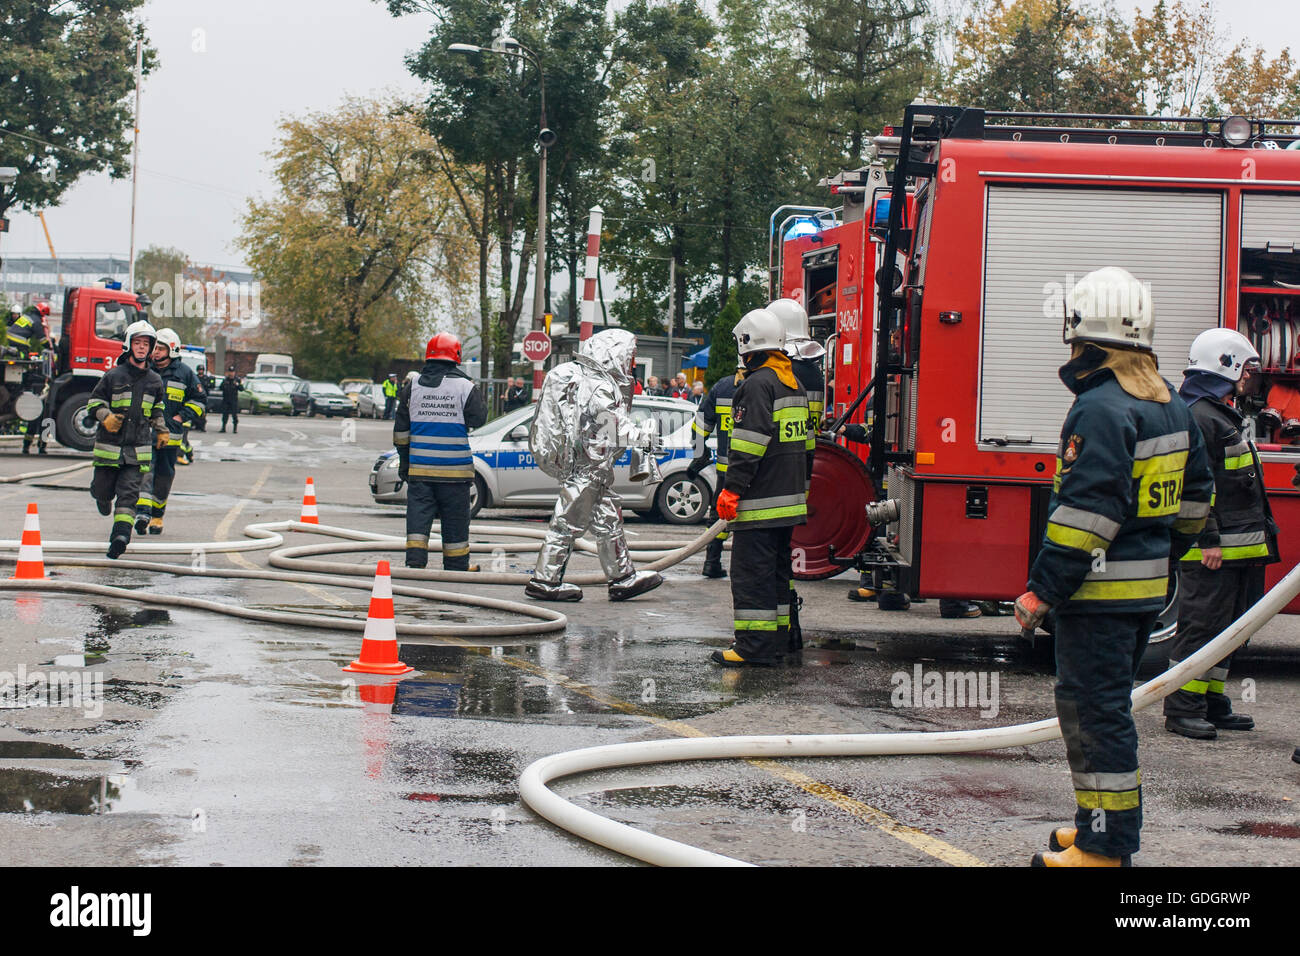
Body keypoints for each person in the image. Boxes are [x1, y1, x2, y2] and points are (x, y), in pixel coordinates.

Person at [1015, 267, 1213, 867]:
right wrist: (1159, 559)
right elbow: (1197, 502)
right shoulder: (1172, 407)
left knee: (1094, 721)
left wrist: (1042, 591)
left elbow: (1086, 517)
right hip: (1142, 599)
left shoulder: (1100, 408)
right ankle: (1093, 825)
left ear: (1085, 340)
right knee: (1105, 715)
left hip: (1095, 601)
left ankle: (1104, 848)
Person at [1164, 328, 1276, 739]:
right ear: (1224, 364)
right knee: (1200, 626)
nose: (1252, 377)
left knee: (1229, 628)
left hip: (1239, 546)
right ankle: (1182, 707)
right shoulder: (1198, 415)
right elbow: (1195, 484)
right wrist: (1208, 539)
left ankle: (1211, 700)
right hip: (1215, 547)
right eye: (1247, 368)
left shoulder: (1222, 411)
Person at [525, 328, 663, 602]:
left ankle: (622, 578)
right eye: (629, 356)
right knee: (566, 524)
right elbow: (613, 427)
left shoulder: (586, 380)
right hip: (588, 471)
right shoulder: (599, 385)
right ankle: (544, 581)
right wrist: (645, 435)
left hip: (592, 470)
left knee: (608, 522)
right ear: (614, 355)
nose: (631, 363)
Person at [711, 307, 810, 666]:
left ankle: (752, 646)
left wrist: (732, 489)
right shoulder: (792, 383)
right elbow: (807, 447)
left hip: (760, 503)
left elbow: (749, 445)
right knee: (778, 576)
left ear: (747, 345)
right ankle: (776, 641)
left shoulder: (756, 385)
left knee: (752, 575)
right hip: (788, 504)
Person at [394, 333, 487, 571]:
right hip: (455, 475)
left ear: (429, 356)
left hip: (420, 471)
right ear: (456, 356)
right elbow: (479, 418)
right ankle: (456, 566)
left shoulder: (412, 387)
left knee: (418, 519)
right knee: (455, 520)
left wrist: (405, 465)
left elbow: (401, 433)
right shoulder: (466, 387)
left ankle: (415, 564)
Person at [86, 321, 168, 559]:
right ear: (129, 345)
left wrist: (161, 429)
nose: (142, 348)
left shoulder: (154, 380)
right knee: (103, 491)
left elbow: (157, 409)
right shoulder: (113, 375)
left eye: (146, 344)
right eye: (137, 343)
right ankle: (101, 498)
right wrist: (106, 416)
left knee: (129, 494)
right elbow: (93, 403)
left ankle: (120, 537)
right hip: (109, 448)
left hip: (137, 450)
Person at [134, 329, 205, 535]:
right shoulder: (144, 369)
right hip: (144, 435)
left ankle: (157, 516)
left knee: (164, 477)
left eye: (160, 348)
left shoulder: (185, 373)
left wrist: (181, 416)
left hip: (170, 438)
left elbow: (200, 400)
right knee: (144, 473)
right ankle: (142, 513)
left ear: (172, 349)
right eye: (154, 347)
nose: (155, 352)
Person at [688, 360, 742, 578]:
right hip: (758, 471)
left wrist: (700, 456)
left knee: (719, 516)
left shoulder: (722, 387)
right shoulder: (767, 385)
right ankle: (744, 566)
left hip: (725, 470)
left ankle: (711, 562)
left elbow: (700, 427)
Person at [219, 367, 241, 433]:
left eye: (232, 372)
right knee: (225, 414)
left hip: (233, 400)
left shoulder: (237, 380)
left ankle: (235, 428)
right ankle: (223, 427)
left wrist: (237, 384)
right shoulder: (225, 380)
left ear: (234, 373)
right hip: (226, 400)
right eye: (230, 372)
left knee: (234, 415)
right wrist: (224, 384)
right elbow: (221, 388)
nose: (231, 373)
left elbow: (242, 389)